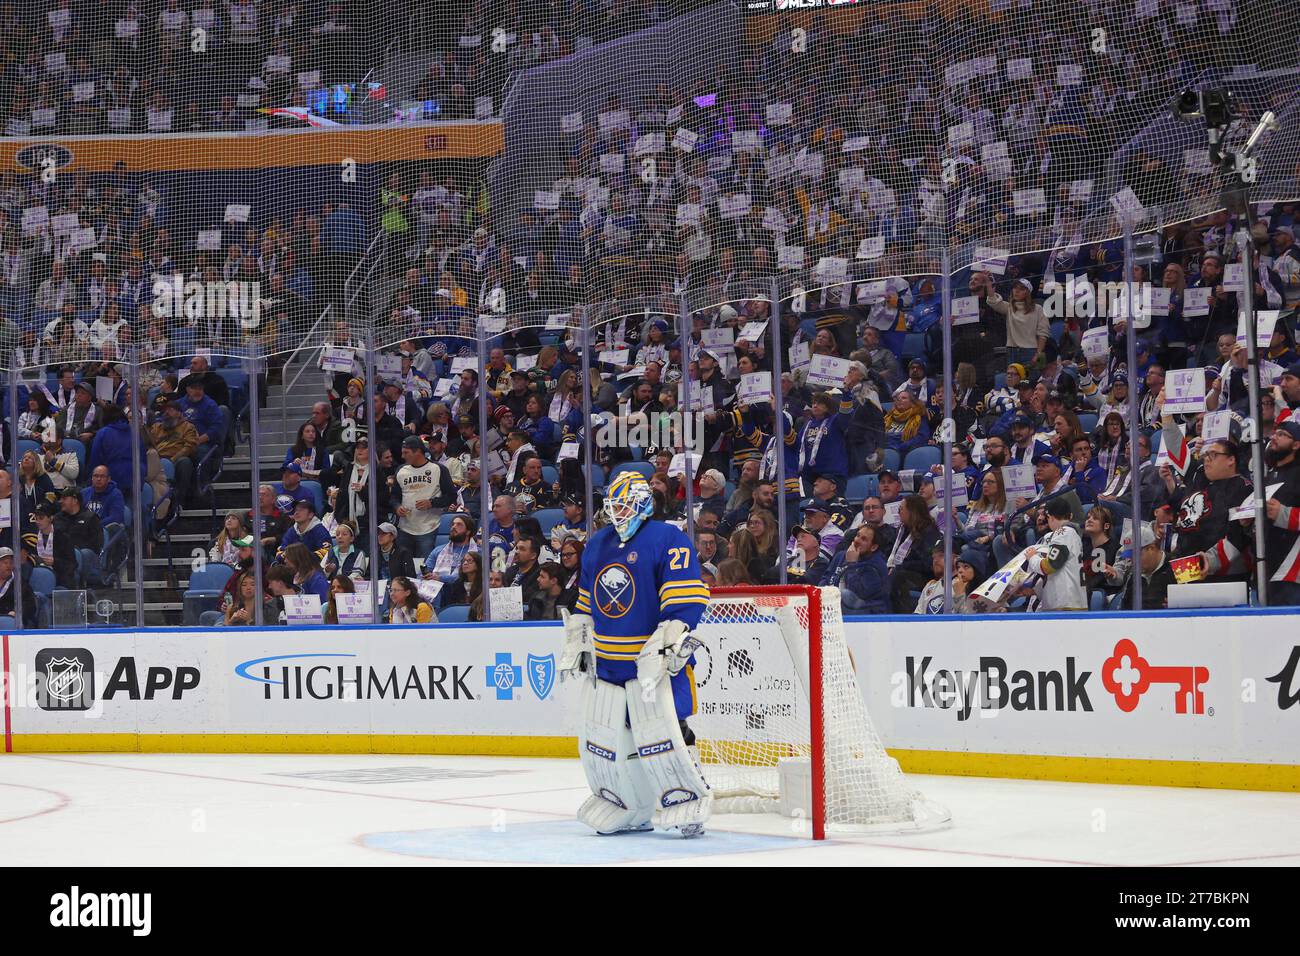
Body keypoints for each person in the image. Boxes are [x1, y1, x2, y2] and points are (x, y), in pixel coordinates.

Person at [561, 471, 711, 837]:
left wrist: (670, 638)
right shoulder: (597, 544)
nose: (619, 512)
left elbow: (685, 600)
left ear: (644, 503)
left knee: (666, 731)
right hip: (609, 664)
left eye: (626, 504)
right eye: (614, 505)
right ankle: (627, 806)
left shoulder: (667, 538)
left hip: (652, 663)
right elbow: (585, 604)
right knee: (608, 739)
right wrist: (579, 640)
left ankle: (688, 802)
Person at [392, 434, 456, 559]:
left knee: (424, 568)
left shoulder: (438, 469)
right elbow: (394, 497)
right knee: (404, 568)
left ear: (418, 452)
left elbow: (451, 496)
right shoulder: (401, 470)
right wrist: (397, 507)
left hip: (429, 528)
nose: (402, 456)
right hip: (405, 528)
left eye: (406, 452)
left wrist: (432, 503)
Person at [1024, 497, 1087, 611]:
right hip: (1072, 601)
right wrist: (1034, 590)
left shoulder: (1063, 533)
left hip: (1065, 604)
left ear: (1050, 517)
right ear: (1070, 516)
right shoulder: (1072, 535)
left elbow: (1050, 566)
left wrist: (1032, 557)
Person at [0, 546, 37, 629]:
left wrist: (17, 612)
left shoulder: (20, 582)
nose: (9, 566)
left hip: (13, 624)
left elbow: (30, 604)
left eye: (11, 562)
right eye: (5, 563)